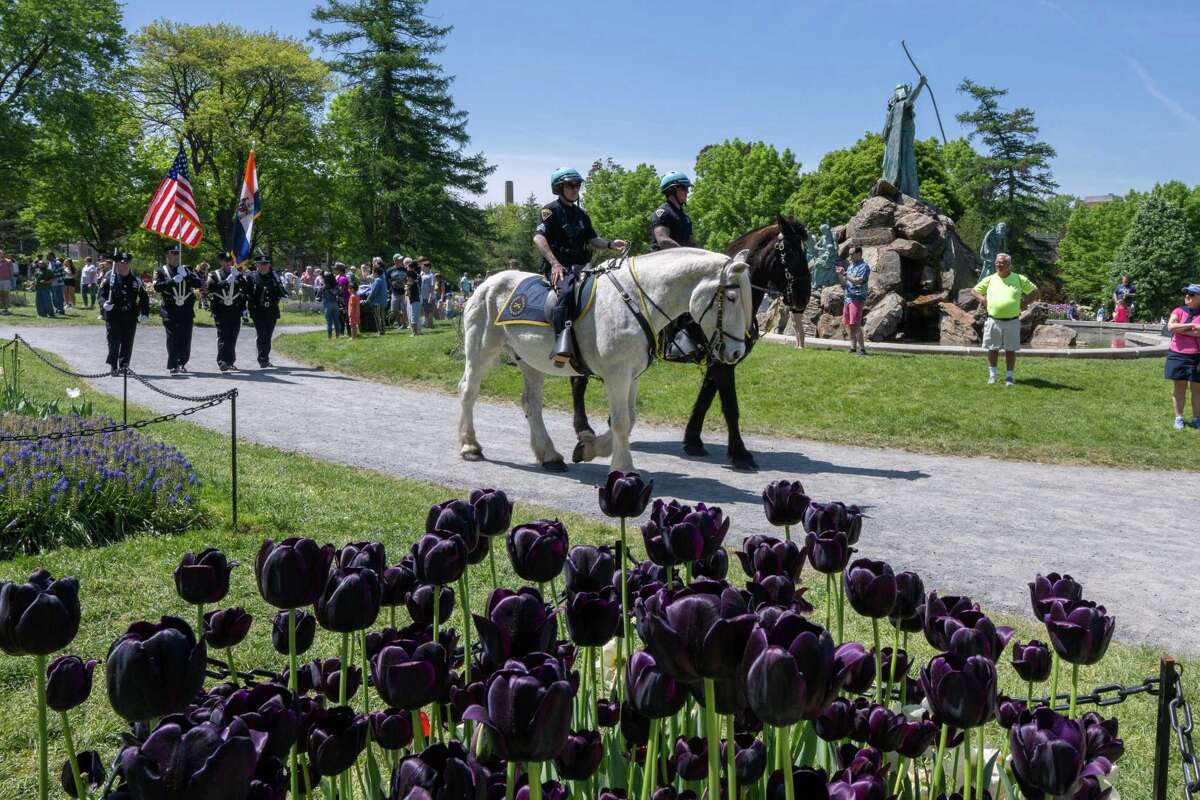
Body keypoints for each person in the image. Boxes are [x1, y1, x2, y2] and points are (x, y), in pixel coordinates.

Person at [533, 166, 627, 364]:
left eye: (577, 185)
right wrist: (555, 264)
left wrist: (611, 244)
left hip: (583, 266)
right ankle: (561, 342)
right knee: (567, 292)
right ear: (559, 188)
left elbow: (593, 240)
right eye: (570, 185)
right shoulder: (550, 211)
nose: (575, 189)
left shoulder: (582, 215)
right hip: (560, 267)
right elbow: (539, 238)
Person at [972, 253, 1038, 386]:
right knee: (992, 348)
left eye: (1002, 262)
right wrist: (982, 299)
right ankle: (992, 376)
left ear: (1009, 264)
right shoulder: (990, 279)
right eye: (997, 262)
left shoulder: (1019, 279)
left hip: (1012, 320)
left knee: (1010, 349)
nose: (998, 265)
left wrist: (1024, 304)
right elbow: (974, 291)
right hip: (993, 320)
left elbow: (1035, 291)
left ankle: (1009, 377)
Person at [153, 247, 204, 373]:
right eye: (174, 253)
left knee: (185, 338)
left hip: (185, 310)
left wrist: (186, 276)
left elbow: (198, 283)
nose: (176, 256)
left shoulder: (186, 269)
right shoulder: (161, 271)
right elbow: (157, 287)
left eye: (178, 253)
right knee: (172, 338)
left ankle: (182, 362)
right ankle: (173, 364)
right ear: (167, 255)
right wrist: (172, 281)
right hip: (170, 309)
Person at [98, 252, 150, 375]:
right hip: (113, 314)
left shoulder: (136, 280)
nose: (124, 265)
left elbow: (144, 298)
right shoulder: (109, 277)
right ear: (117, 264)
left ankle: (124, 366)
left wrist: (145, 313)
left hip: (130, 315)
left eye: (127, 263)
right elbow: (101, 295)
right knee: (113, 341)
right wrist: (104, 304)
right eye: (122, 263)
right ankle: (113, 366)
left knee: (127, 342)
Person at [1166, 285, 1200, 430]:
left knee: (1197, 389)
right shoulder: (1178, 310)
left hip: (1197, 356)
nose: (1187, 296)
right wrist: (1191, 325)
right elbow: (1170, 327)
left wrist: (1180, 329)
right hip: (1177, 354)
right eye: (1186, 293)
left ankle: (1197, 419)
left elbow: (1199, 333)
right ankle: (1178, 418)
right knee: (1179, 387)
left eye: (1191, 294)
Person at [207, 253, 247, 371]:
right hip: (220, 308)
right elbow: (211, 288)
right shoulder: (214, 274)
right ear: (221, 262)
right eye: (225, 261)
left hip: (234, 309)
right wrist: (226, 281)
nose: (228, 263)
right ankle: (222, 361)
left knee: (233, 335)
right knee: (223, 335)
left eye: (230, 261)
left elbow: (246, 287)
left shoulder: (236, 273)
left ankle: (230, 361)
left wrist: (239, 276)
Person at [245, 254, 286, 368]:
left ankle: (265, 358)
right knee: (262, 334)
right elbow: (247, 293)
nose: (264, 267)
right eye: (261, 265)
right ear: (256, 265)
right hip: (258, 310)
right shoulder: (251, 277)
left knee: (268, 335)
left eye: (266, 264)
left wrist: (283, 295)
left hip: (272, 310)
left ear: (269, 265)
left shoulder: (274, 277)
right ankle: (262, 359)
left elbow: (280, 290)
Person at [836, 245, 871, 355]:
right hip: (848, 298)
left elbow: (857, 281)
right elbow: (844, 283)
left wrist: (845, 273)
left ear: (859, 254)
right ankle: (852, 348)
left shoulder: (864, 267)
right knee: (851, 324)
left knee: (856, 324)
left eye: (852, 254)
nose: (849, 256)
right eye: (849, 254)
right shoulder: (851, 266)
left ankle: (862, 349)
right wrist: (840, 275)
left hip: (857, 298)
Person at [649, 171, 696, 250]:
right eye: (684, 188)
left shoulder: (685, 217)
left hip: (683, 259)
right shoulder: (663, 213)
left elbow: (691, 242)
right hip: (663, 260)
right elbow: (663, 241)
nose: (687, 192)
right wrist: (686, 254)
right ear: (672, 190)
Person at [319, 270, 345, 339]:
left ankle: (329, 337)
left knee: (329, 322)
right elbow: (339, 293)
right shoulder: (336, 286)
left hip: (327, 305)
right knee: (337, 321)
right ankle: (338, 335)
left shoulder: (324, 287)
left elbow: (319, 295)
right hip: (335, 304)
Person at [367, 262, 389, 335]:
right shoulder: (382, 278)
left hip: (377, 302)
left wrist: (368, 300)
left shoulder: (378, 280)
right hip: (383, 301)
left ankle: (380, 331)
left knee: (378, 317)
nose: (372, 273)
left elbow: (373, 292)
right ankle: (383, 331)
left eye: (373, 272)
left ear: (376, 272)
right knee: (382, 316)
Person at [386, 255, 408, 329]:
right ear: (395, 261)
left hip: (404, 293)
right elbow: (386, 280)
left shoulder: (405, 269)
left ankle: (404, 324)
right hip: (394, 293)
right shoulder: (390, 270)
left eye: (401, 260)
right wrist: (389, 289)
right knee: (394, 310)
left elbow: (408, 279)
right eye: (399, 260)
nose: (401, 261)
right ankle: (400, 323)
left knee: (404, 309)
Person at [405, 258, 423, 335]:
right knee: (414, 315)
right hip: (415, 299)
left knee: (413, 316)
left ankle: (415, 332)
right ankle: (416, 332)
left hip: (415, 299)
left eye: (408, 278)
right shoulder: (414, 280)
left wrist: (407, 288)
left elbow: (408, 293)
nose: (407, 279)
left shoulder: (413, 281)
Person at [420, 259, 436, 329]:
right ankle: (427, 324)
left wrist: (430, 296)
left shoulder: (431, 275)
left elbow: (432, 286)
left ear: (427, 267)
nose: (422, 268)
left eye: (423, 266)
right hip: (423, 296)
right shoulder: (422, 274)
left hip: (429, 296)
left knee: (429, 311)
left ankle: (430, 324)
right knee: (425, 310)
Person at [0, 248, 12, 315]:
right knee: (0, 295)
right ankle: (1, 308)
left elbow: (11, 271)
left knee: (6, 295)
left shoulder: (8, 261)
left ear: (3, 254)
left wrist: (11, 279)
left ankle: (6, 309)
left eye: (1, 253)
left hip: (6, 280)